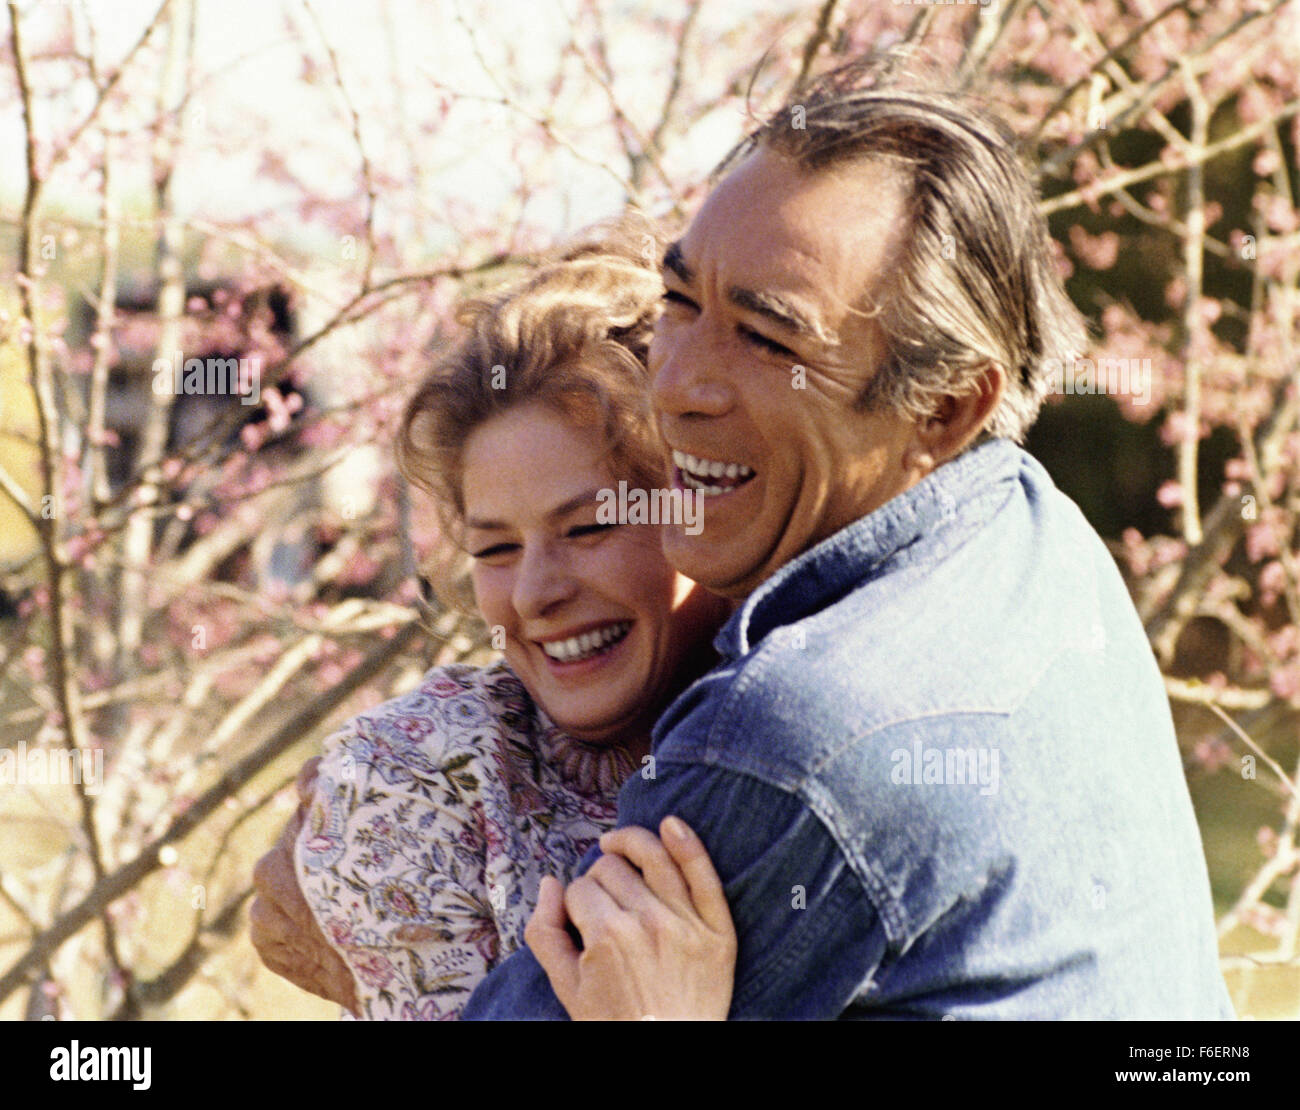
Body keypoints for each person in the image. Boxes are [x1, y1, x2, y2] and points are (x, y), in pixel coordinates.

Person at [463, 60, 1235, 1019]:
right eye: (680, 303)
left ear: (946, 407)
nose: (675, 387)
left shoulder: (798, 739)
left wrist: (355, 914)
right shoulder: (1035, 530)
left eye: (769, 340)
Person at [249, 224, 738, 1019]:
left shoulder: (799, 737)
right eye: (495, 547)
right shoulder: (420, 779)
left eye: (587, 529)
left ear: (709, 506)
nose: (537, 592)